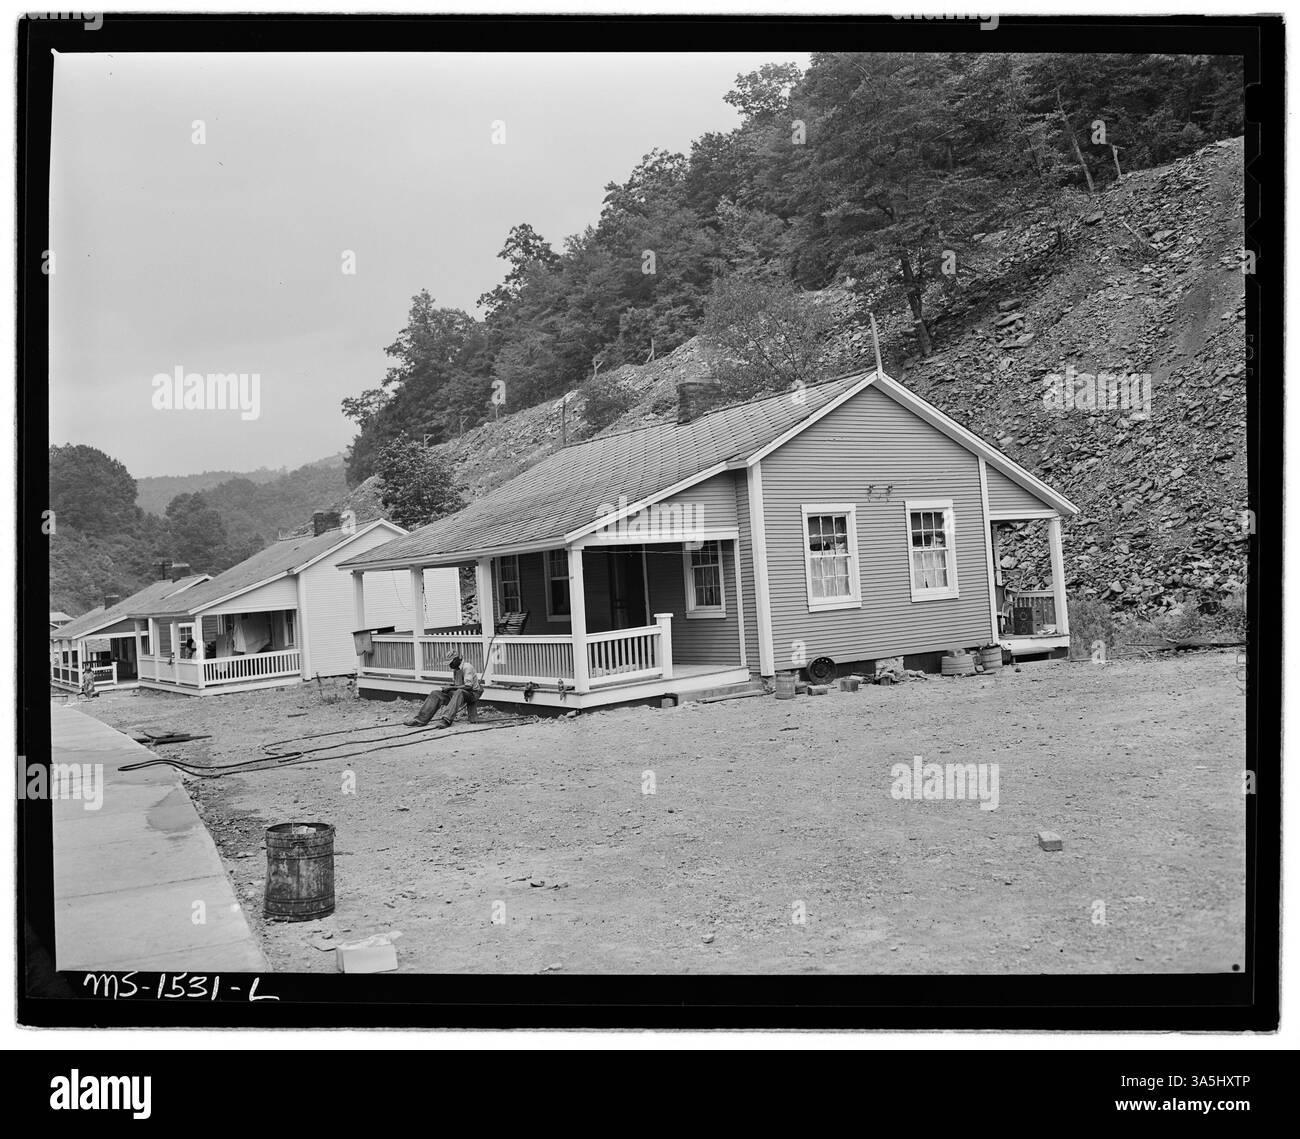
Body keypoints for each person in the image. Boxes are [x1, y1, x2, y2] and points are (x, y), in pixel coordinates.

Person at [405, 653, 482, 729]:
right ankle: (420, 720)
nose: (449, 666)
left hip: (472, 693)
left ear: (456, 660)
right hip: (459, 693)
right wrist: (449, 687)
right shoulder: (456, 669)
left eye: (450, 663)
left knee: (459, 692)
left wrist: (451, 688)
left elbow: (468, 686)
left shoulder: (467, 667)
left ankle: (446, 720)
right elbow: (458, 685)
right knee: (435, 693)